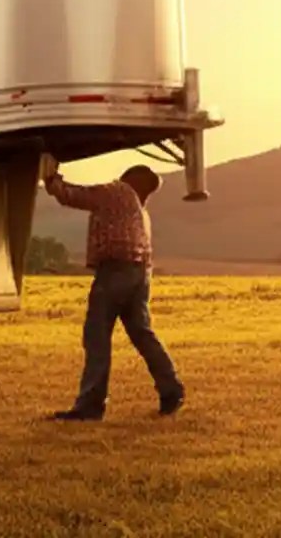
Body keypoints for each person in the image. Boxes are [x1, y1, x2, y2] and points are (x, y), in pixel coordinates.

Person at [40, 156, 185, 420]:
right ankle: (171, 388)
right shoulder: (141, 212)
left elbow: (74, 195)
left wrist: (51, 179)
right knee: (143, 334)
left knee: (96, 337)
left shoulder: (116, 192)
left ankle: (91, 405)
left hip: (114, 272)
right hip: (140, 274)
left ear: (127, 178)